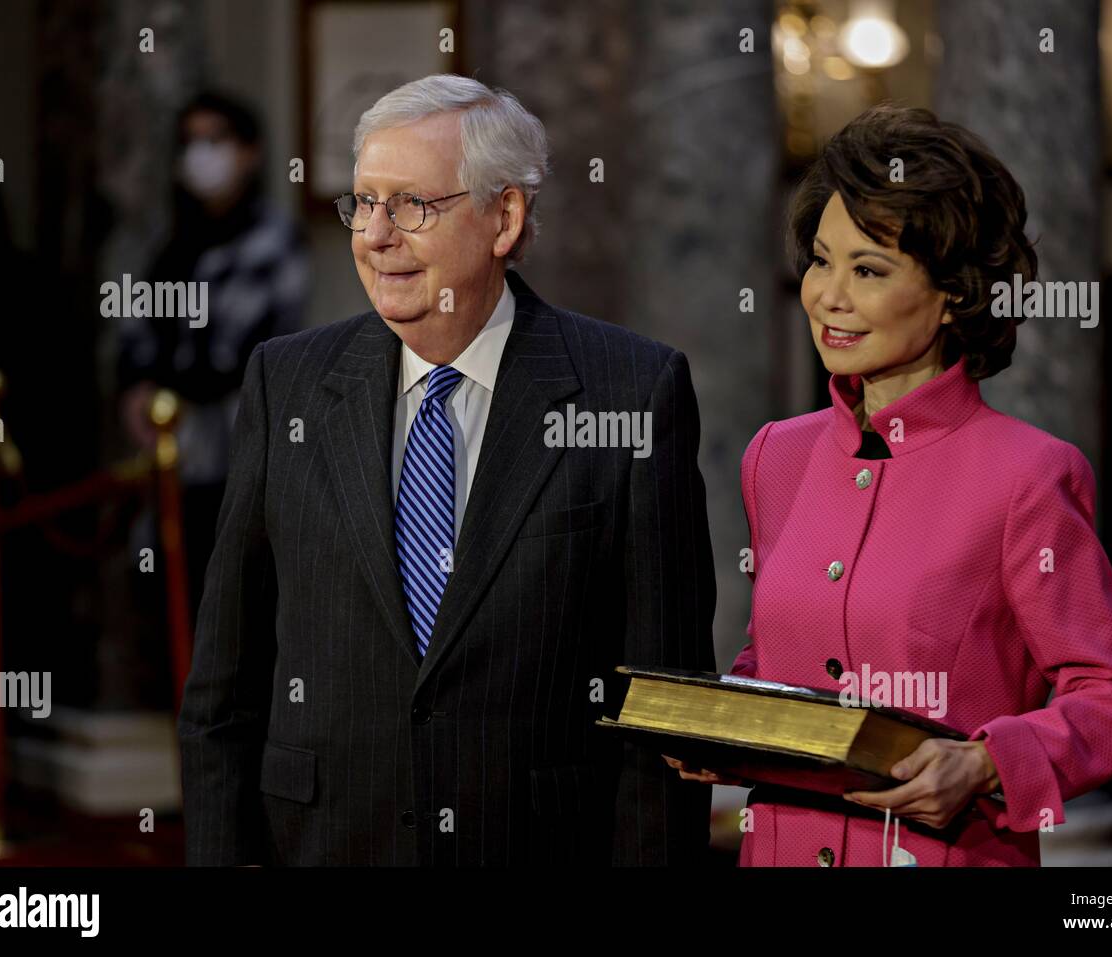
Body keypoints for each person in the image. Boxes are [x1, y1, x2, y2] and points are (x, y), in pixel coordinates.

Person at [176, 74, 716, 865]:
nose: (376, 234)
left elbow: (663, 711)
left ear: (505, 216)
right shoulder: (283, 381)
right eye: (363, 202)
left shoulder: (631, 390)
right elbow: (224, 688)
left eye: (412, 206)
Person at [665, 104, 1112, 867]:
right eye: (821, 260)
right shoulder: (776, 455)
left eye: (867, 269)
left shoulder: (1028, 474)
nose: (829, 295)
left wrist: (987, 762)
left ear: (954, 294)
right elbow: (777, 658)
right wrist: (726, 732)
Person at [117, 91, 308, 624]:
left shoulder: (273, 241)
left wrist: (182, 381)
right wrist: (137, 385)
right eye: (190, 143)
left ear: (250, 152)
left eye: (215, 141)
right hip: (170, 454)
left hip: (236, 448)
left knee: (232, 598)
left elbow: (261, 343)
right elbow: (138, 326)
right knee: (166, 594)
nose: (201, 155)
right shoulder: (170, 240)